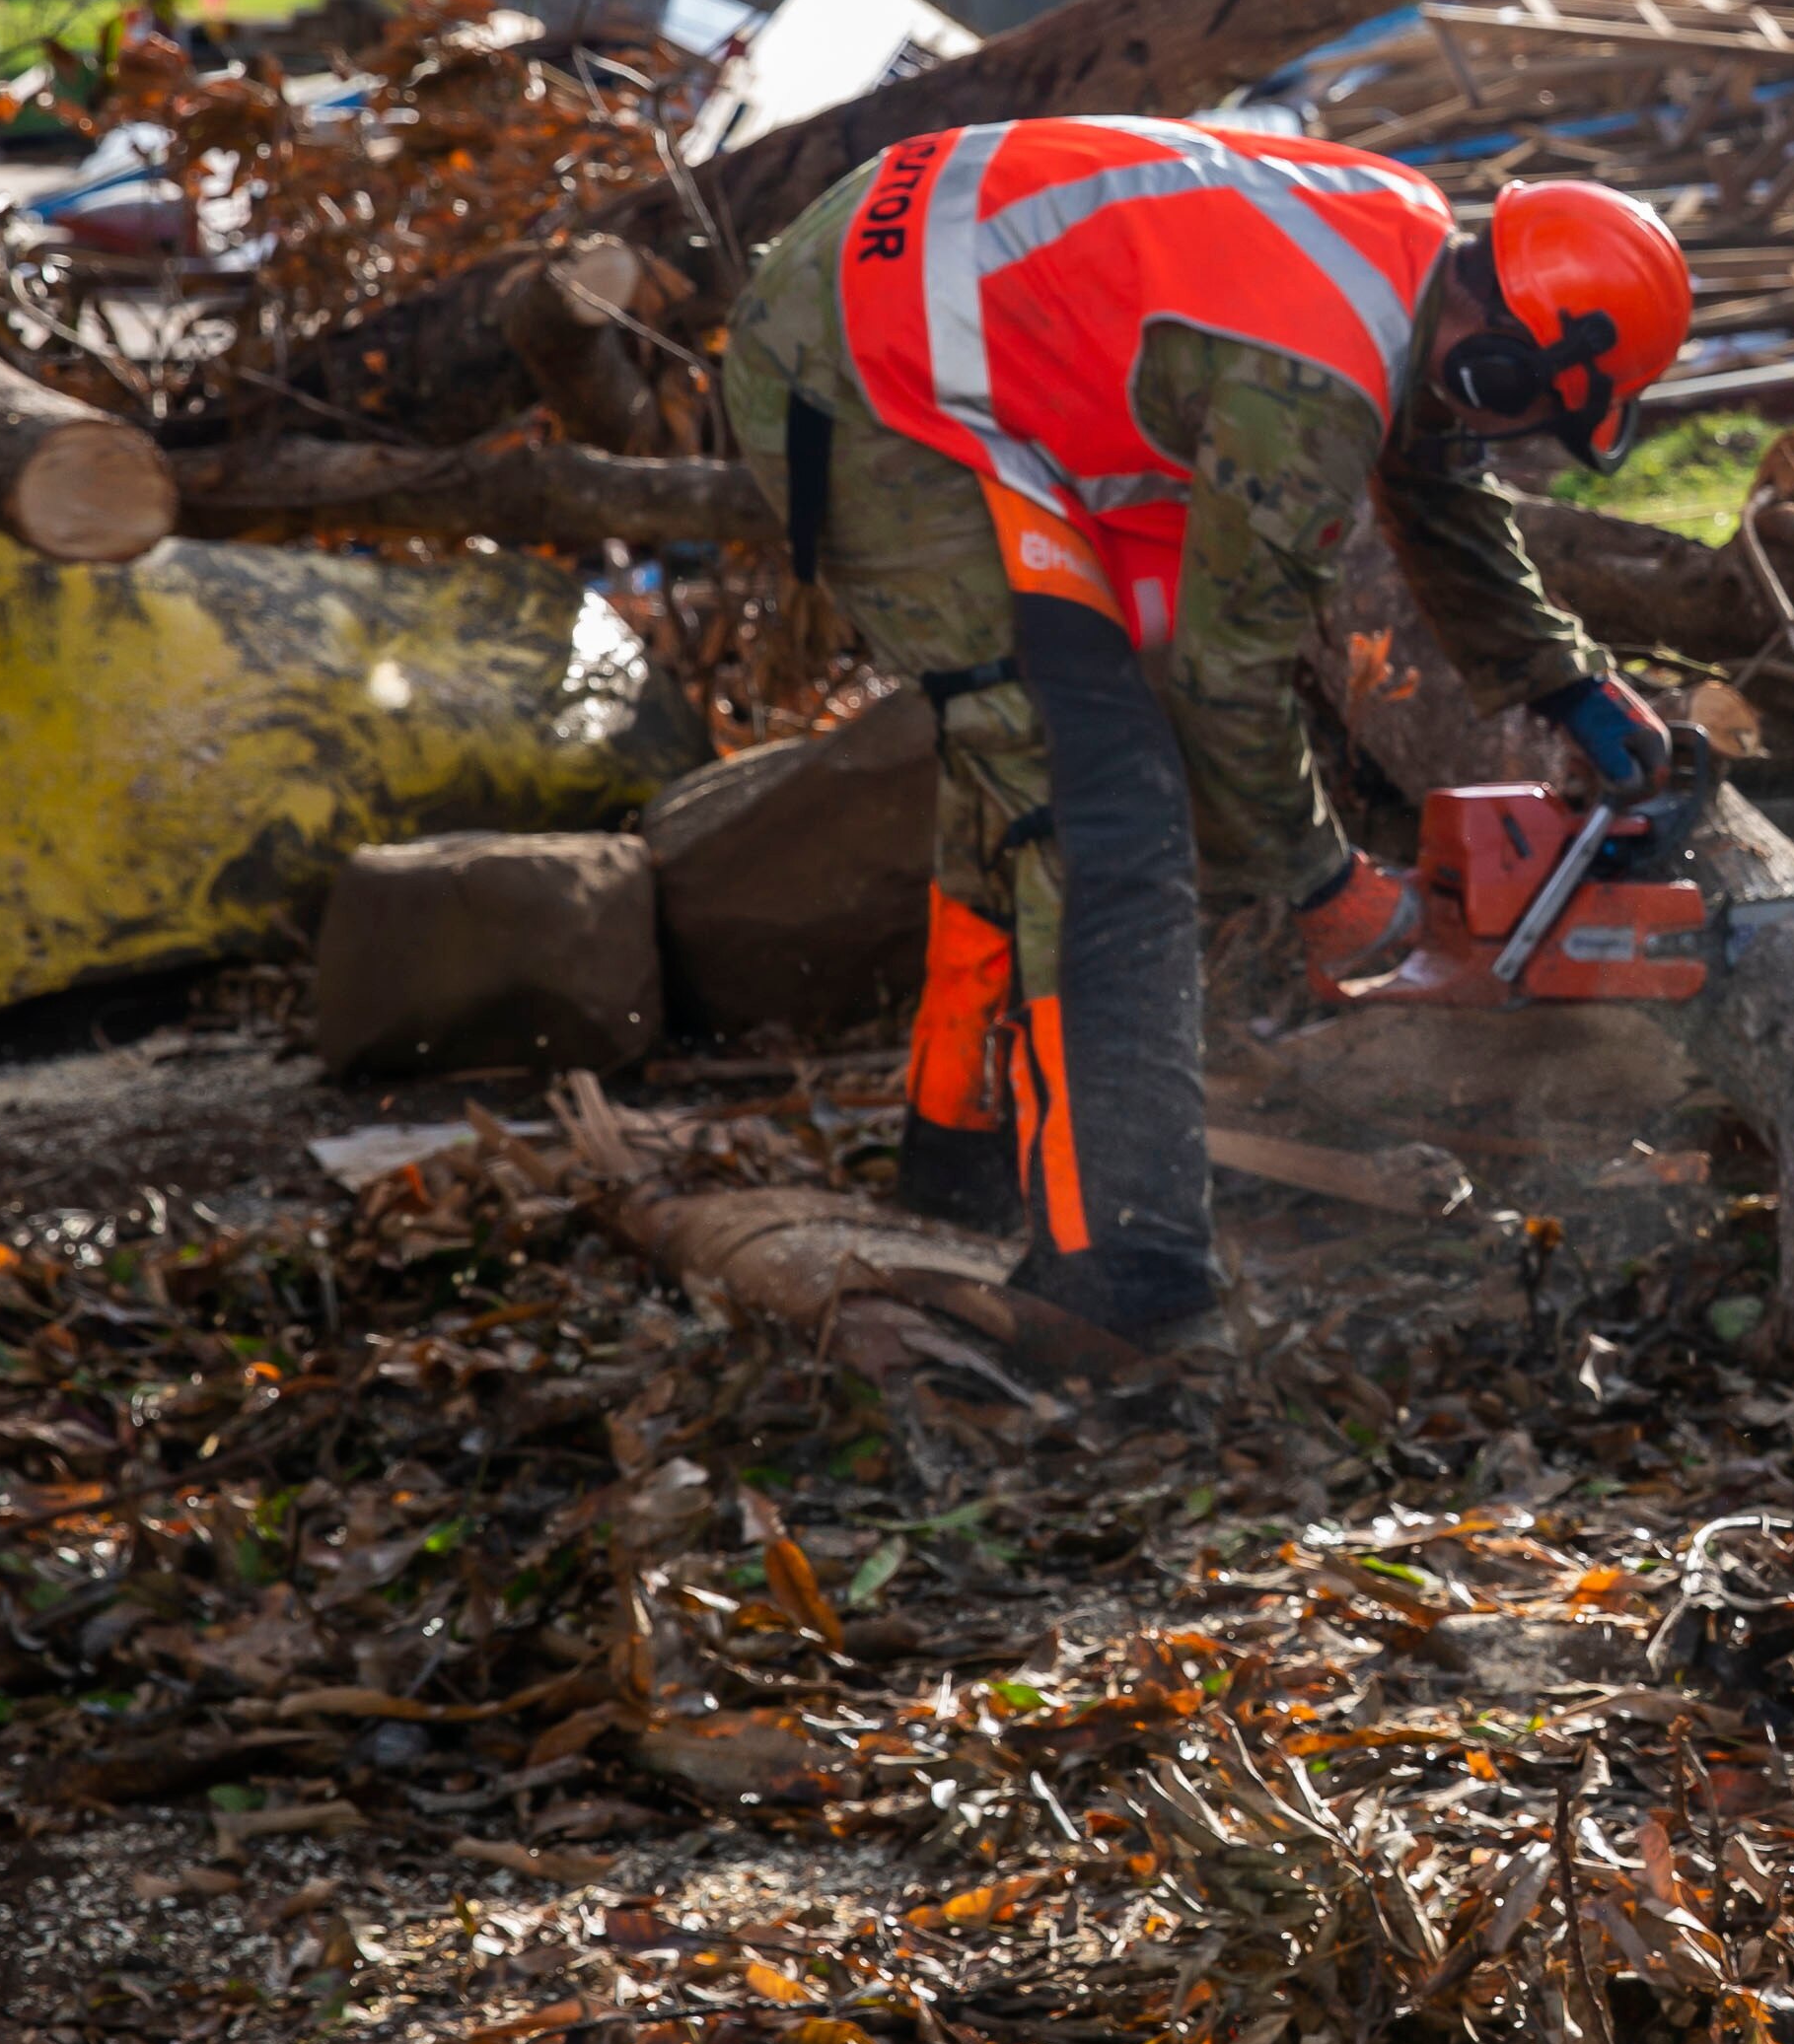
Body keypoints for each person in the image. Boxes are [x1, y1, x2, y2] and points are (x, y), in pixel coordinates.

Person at [719, 117, 1691, 1352]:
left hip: (924, 304)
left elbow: (1433, 474)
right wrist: (1323, 884)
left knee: (1038, 745)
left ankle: (951, 1150)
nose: (1510, 436)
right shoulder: (1314, 378)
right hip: (857, 374)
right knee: (1090, 800)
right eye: (1527, 413)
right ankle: (1123, 1273)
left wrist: (1565, 682)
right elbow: (1228, 685)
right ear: (1495, 363)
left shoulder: (1404, 253)